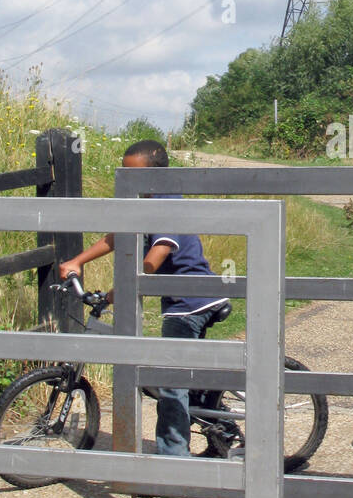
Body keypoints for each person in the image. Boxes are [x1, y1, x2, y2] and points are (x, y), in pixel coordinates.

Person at [58, 139, 230, 457]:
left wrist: (120, 290)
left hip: (191, 301)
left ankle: (173, 460)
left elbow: (156, 255)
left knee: (169, 379)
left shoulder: (167, 202)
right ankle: (219, 425)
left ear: (156, 175)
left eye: (135, 176)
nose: (129, 183)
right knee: (178, 375)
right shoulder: (142, 203)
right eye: (124, 175)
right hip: (180, 301)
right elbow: (116, 236)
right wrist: (78, 261)